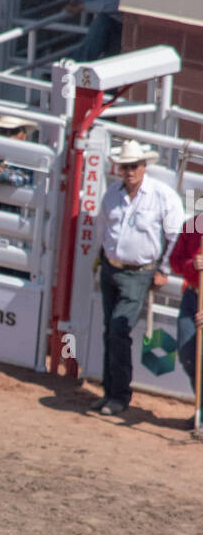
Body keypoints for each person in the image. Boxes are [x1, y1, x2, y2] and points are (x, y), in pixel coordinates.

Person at [92, 138, 185, 416]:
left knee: (118, 331)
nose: (129, 171)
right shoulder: (112, 195)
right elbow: (103, 228)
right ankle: (112, 392)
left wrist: (164, 269)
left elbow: (175, 235)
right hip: (112, 267)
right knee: (111, 330)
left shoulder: (161, 195)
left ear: (144, 166)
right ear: (119, 168)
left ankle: (118, 394)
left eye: (134, 166)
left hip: (138, 272)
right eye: (125, 166)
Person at [168, 213, 203, 428]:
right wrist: (193, 264)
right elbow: (175, 262)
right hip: (191, 296)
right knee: (187, 353)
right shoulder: (191, 226)